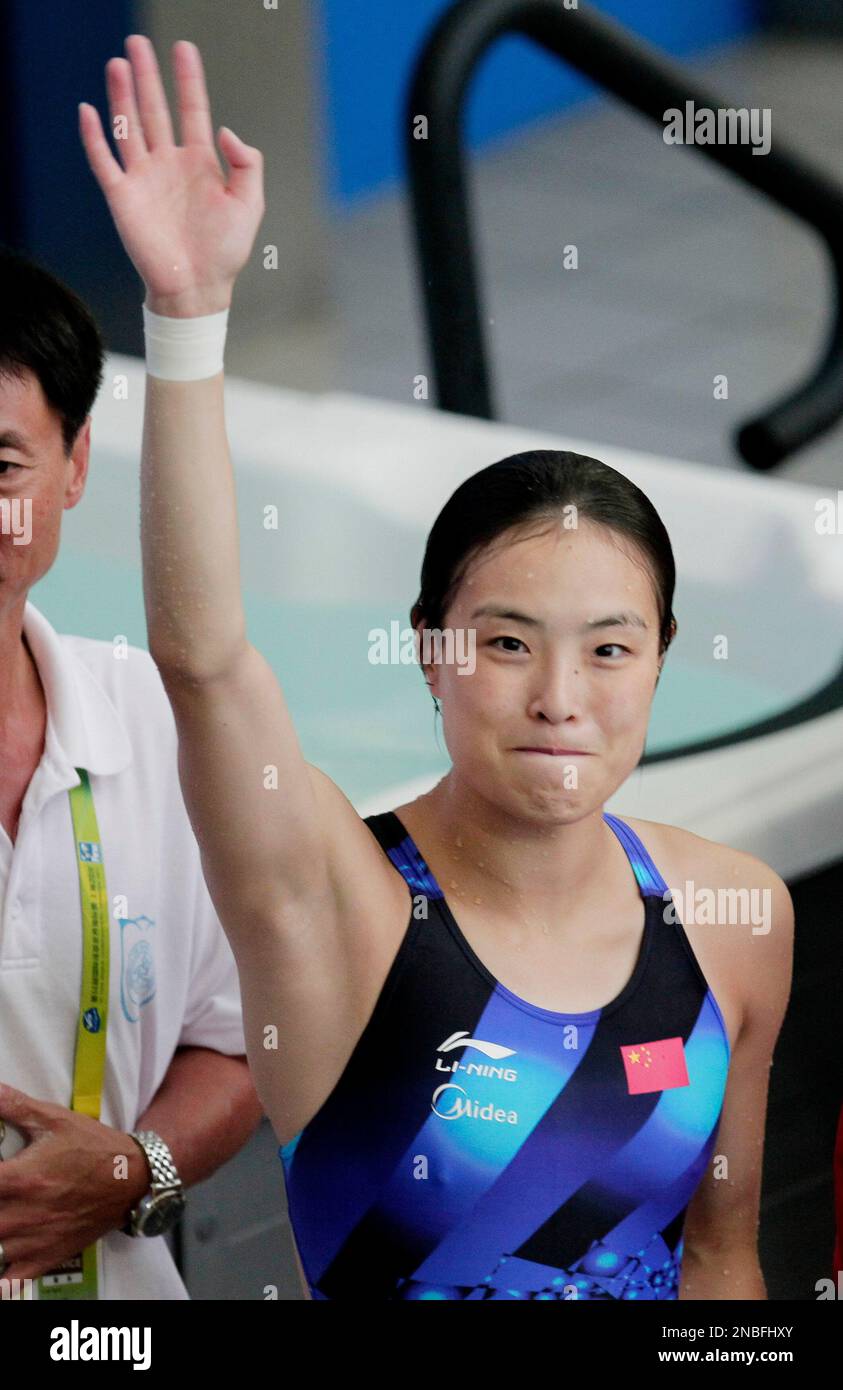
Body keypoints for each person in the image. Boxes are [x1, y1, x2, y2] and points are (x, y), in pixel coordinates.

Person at [79, 32, 794, 1302]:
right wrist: (187, 319)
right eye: (507, 642)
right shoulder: (337, 904)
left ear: (662, 662)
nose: (560, 697)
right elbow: (202, 660)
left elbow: (726, 1258)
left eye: (610, 649)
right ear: (432, 653)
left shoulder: (735, 918)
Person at [0, 245, 265, 1300]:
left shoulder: (148, 719)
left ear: (74, 467)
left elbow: (238, 1043)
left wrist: (128, 1172)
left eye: (0, 468)